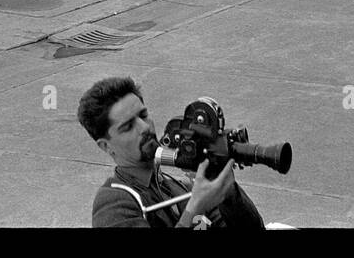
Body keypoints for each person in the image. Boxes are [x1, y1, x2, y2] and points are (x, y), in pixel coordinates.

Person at [77, 76, 264, 228]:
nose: (144, 127)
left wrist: (227, 190)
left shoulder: (178, 187)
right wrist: (195, 208)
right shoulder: (113, 203)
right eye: (128, 126)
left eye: (143, 116)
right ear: (106, 146)